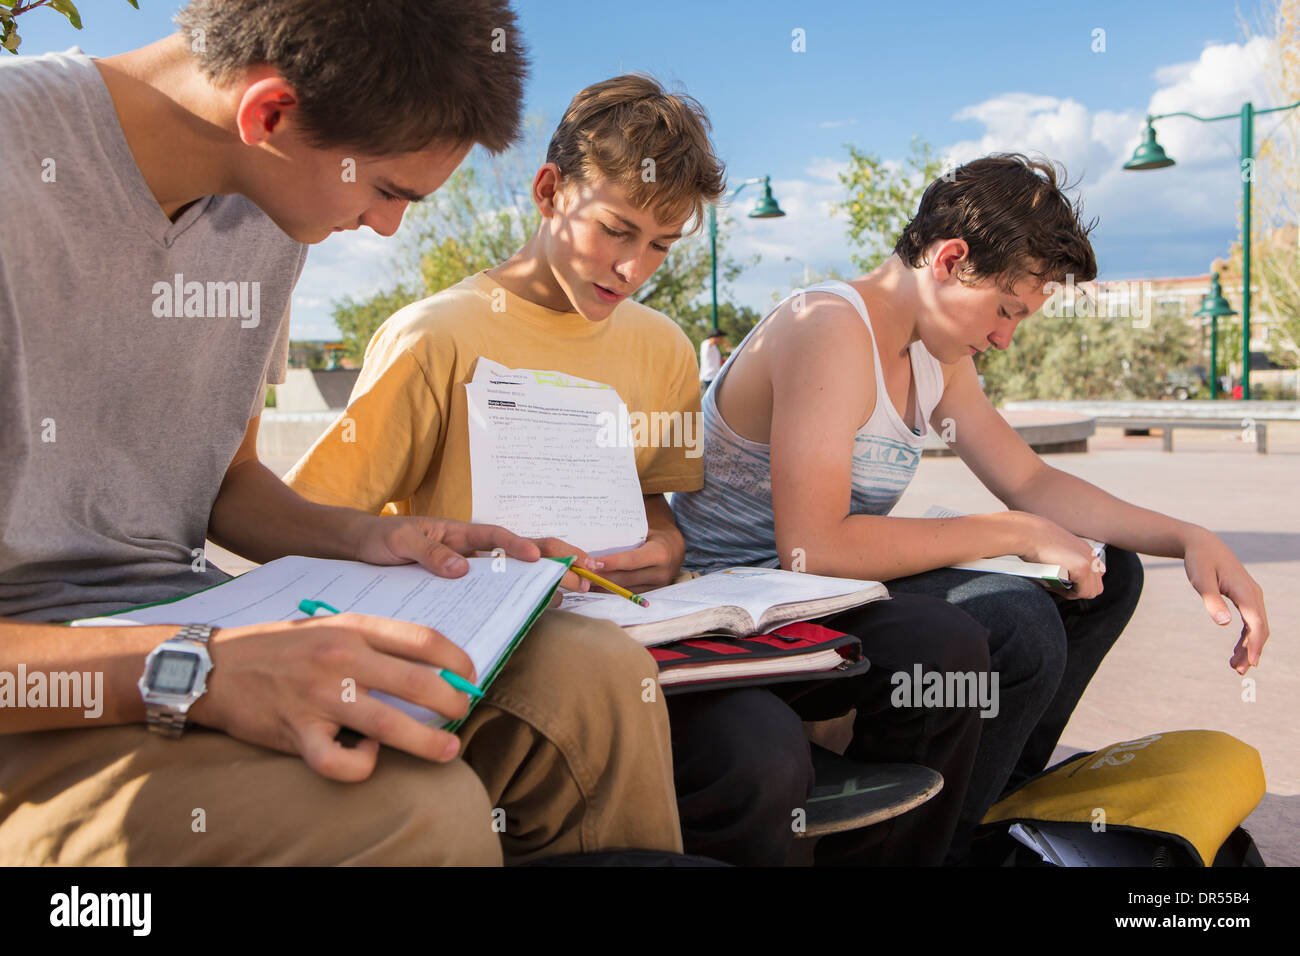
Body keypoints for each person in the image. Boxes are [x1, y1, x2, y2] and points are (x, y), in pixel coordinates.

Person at [0, 0, 682, 866]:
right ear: (269, 113)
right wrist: (200, 667)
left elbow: (225, 478)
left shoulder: (267, 198)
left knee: (597, 676)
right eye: (388, 190)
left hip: (190, 611)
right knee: (414, 812)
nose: (389, 226)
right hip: (42, 689)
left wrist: (380, 539)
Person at [285, 73, 992, 867]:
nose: (632, 268)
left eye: (660, 245)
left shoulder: (657, 343)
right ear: (549, 191)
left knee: (896, 670)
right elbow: (307, 531)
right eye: (617, 230)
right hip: (498, 655)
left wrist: (663, 544)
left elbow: (656, 503)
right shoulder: (433, 337)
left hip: (646, 636)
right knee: (757, 754)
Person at [671, 153, 1271, 862]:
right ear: (952, 259)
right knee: (1015, 622)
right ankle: (926, 848)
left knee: (1112, 575)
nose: (1004, 338)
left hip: (816, 591)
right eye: (1007, 309)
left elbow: (1031, 482)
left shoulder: (936, 355)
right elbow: (817, 547)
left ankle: (985, 815)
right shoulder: (827, 327)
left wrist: (1190, 538)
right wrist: (1012, 533)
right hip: (739, 603)